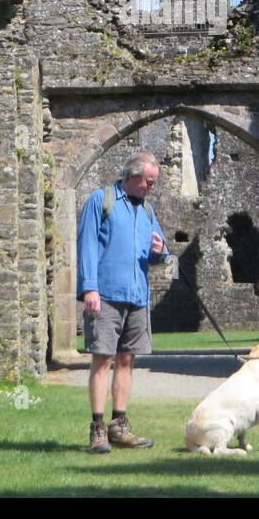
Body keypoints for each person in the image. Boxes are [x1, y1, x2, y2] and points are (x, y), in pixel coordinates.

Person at [76, 151, 174, 453]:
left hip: (137, 296)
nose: (152, 187)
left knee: (127, 360)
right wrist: (89, 288)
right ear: (131, 176)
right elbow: (87, 245)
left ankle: (119, 426)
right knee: (102, 359)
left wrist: (161, 250)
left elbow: (163, 253)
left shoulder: (147, 211)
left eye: (154, 182)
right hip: (105, 295)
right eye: (149, 181)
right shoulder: (100, 200)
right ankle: (97, 429)